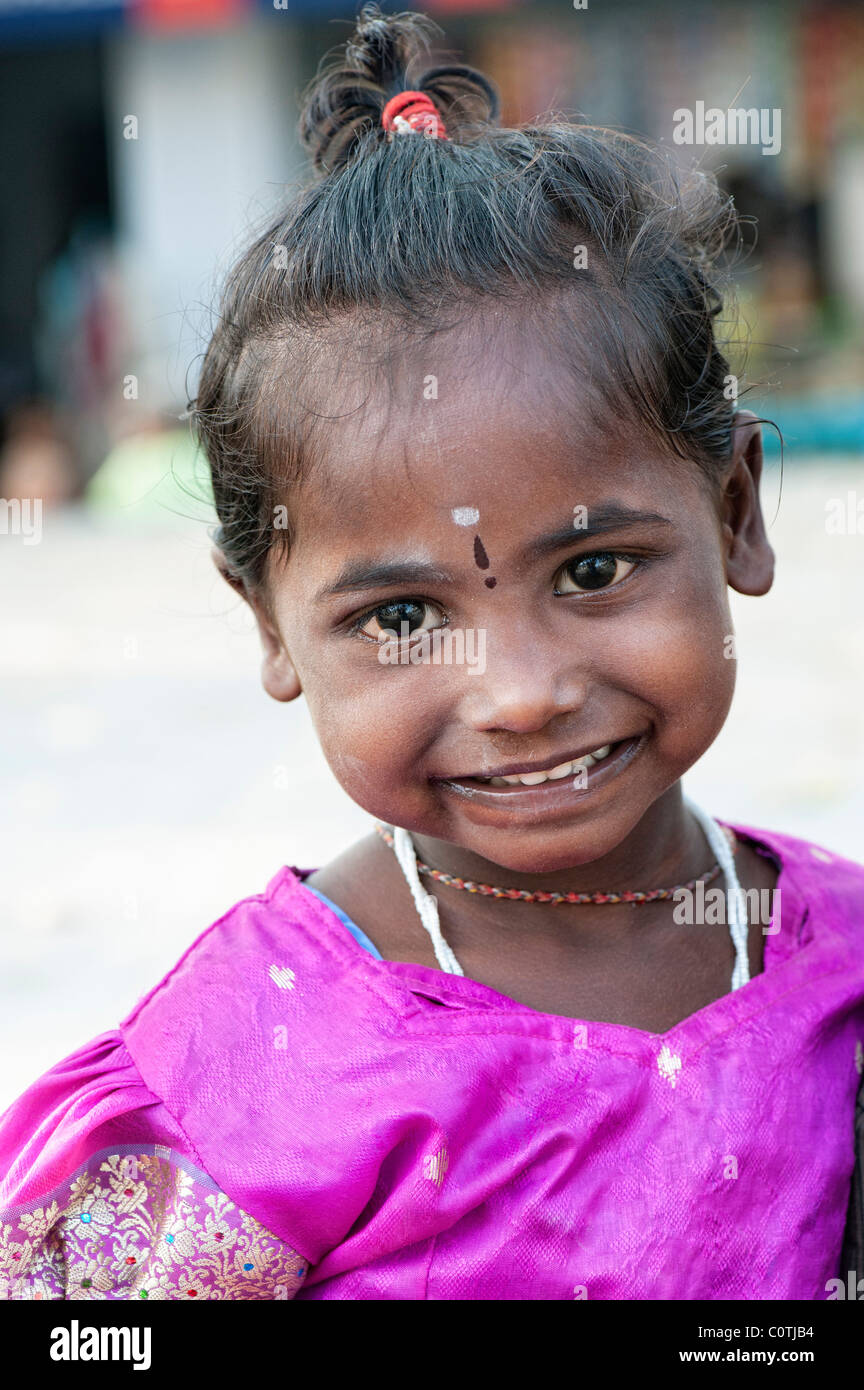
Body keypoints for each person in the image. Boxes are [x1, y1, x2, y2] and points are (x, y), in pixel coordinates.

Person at [2, 4, 863, 1302]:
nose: (523, 692)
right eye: (401, 618)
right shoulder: (254, 1054)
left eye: (593, 569)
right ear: (269, 623)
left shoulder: (840, 962)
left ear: (736, 510)